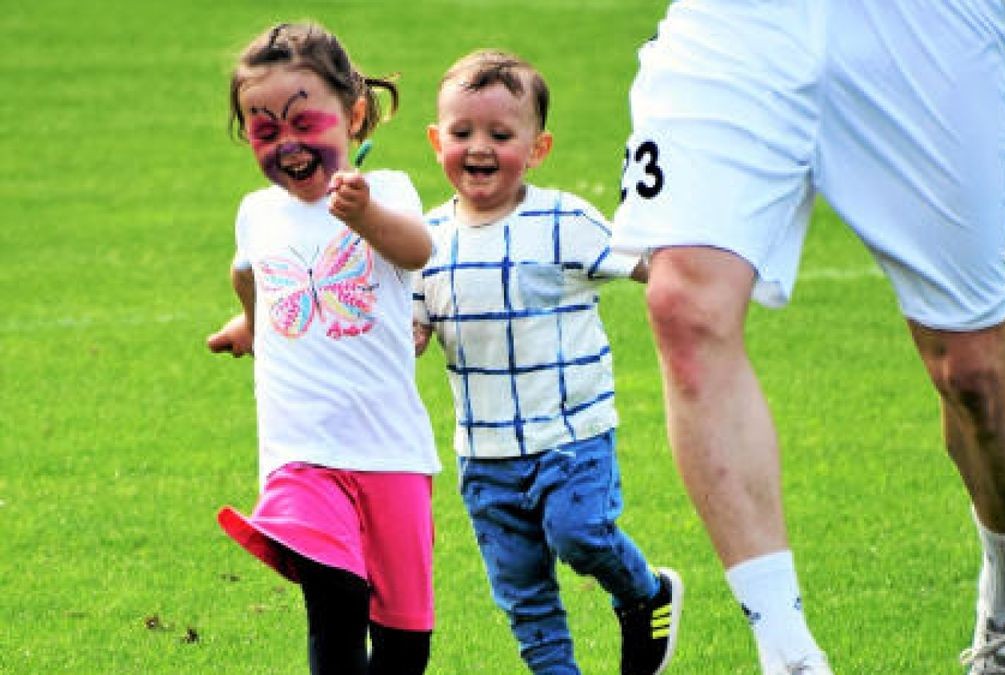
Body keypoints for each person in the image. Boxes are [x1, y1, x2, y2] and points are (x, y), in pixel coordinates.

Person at [612, 2, 1005, 674]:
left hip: (922, 27)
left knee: (974, 372)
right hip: (740, 24)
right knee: (682, 304)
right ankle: (788, 654)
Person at [412, 49, 681, 675]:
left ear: (537, 147)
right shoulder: (425, 240)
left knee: (580, 533)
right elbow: (414, 320)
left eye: (500, 135)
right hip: (484, 452)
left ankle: (645, 594)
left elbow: (646, 265)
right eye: (462, 133)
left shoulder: (563, 219)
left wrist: (684, 266)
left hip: (571, 435)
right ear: (435, 140)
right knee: (522, 591)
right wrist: (408, 334)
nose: (479, 147)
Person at [205, 22, 440, 674]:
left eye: (302, 122)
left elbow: (417, 251)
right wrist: (250, 323)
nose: (287, 143)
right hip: (300, 455)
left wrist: (363, 216)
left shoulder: (382, 191)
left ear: (354, 113)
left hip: (390, 452)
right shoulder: (257, 212)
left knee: (404, 643)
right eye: (264, 129)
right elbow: (246, 270)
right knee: (335, 598)